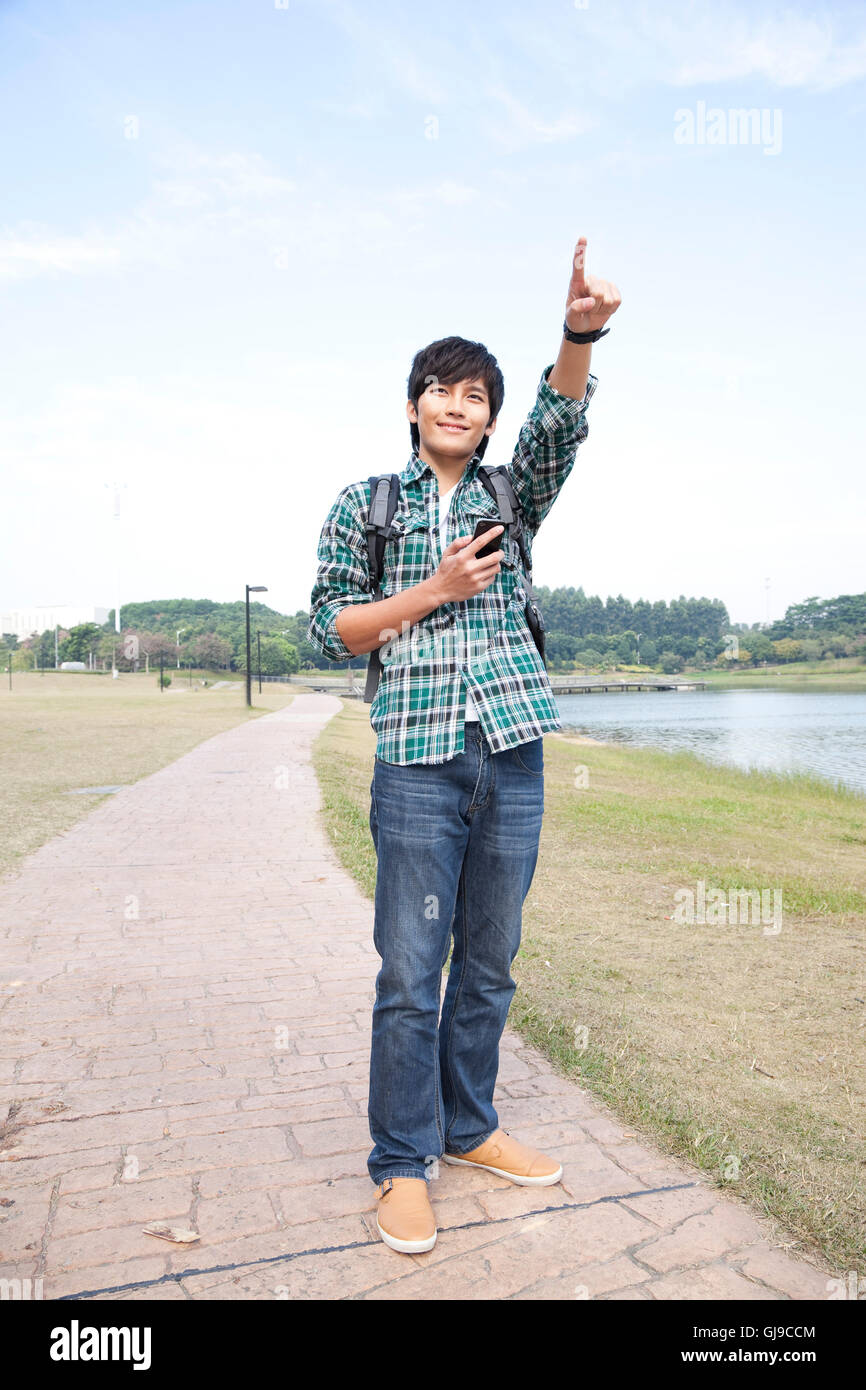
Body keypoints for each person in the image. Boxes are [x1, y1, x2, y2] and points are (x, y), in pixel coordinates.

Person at [307, 237, 621, 1254]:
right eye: (441, 390)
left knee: (488, 961)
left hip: (512, 750)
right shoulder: (367, 504)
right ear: (412, 406)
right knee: (410, 969)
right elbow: (327, 627)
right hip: (415, 762)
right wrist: (433, 590)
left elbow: (559, 421)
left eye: (475, 394)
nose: (459, 405)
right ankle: (401, 1162)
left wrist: (576, 333)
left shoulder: (506, 495)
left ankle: (469, 1125)